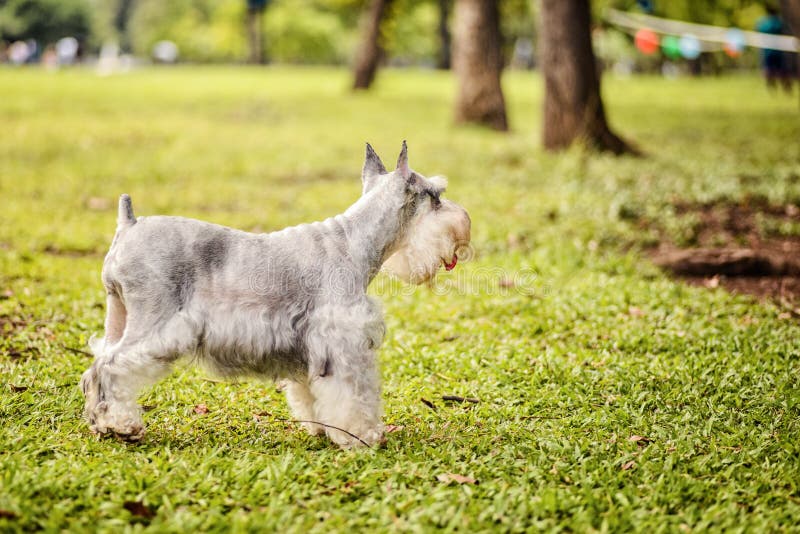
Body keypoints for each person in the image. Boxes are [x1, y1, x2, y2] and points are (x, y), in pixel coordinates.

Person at [756, 6, 794, 93]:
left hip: (769, 52)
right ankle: (786, 90)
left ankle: (772, 90)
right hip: (778, 52)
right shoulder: (779, 23)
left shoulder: (763, 24)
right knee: (782, 72)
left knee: (770, 71)